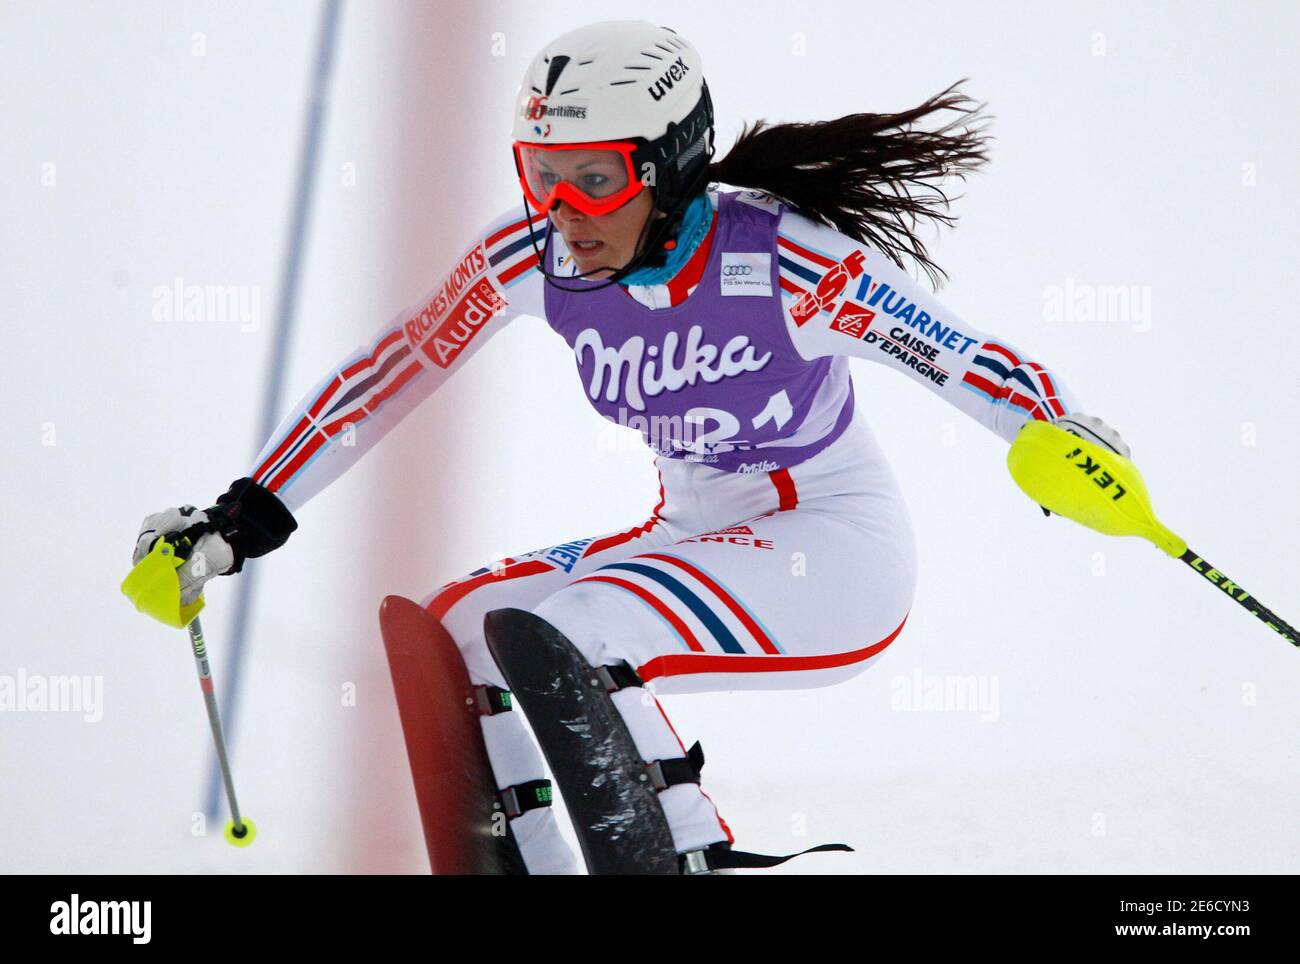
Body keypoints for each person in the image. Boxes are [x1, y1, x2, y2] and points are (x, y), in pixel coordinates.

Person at [134, 20, 1129, 874]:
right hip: (691, 536)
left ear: (669, 167)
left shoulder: (783, 261)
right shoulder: (534, 258)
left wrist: (1062, 431)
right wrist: (244, 513)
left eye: (596, 178)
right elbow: (396, 366)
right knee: (463, 626)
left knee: (583, 624)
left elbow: (963, 357)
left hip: (831, 548)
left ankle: (687, 856)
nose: (564, 213)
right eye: (542, 176)